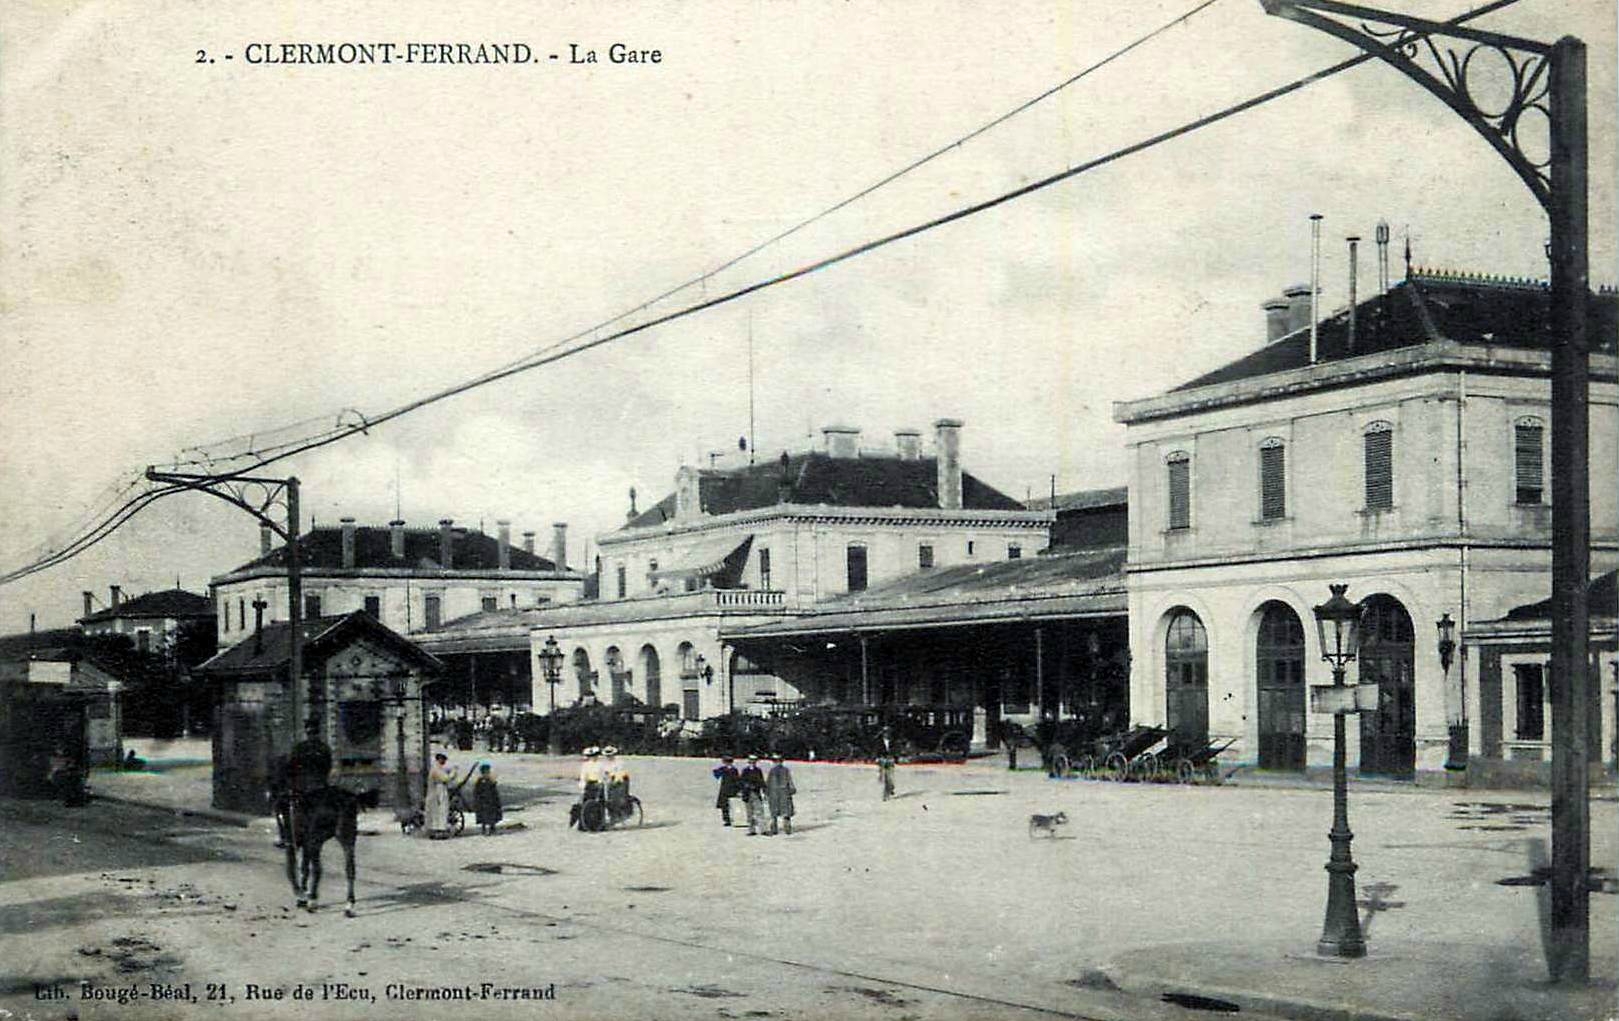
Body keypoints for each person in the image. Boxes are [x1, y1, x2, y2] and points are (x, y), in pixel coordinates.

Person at [426, 752, 457, 839]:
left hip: (439, 791)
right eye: (443, 760)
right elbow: (445, 778)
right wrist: (453, 772)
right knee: (439, 811)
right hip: (437, 792)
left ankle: (438, 830)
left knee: (441, 811)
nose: (444, 762)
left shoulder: (439, 768)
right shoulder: (436, 769)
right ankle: (438, 831)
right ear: (439, 759)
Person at [765, 753, 796, 835]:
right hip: (774, 793)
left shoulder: (785, 770)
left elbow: (789, 780)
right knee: (773, 813)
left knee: (786, 812)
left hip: (784, 793)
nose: (776, 763)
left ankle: (787, 828)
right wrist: (766, 791)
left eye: (778, 761)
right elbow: (768, 782)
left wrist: (791, 789)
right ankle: (774, 828)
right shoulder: (772, 771)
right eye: (775, 761)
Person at [739, 754, 767, 836]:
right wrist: (746, 786)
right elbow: (741, 781)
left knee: (759, 812)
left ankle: (763, 829)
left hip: (756, 793)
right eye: (751, 761)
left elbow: (761, 781)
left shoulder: (758, 770)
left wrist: (763, 790)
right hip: (747, 794)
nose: (753, 762)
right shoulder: (745, 771)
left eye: (754, 761)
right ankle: (751, 830)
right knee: (749, 813)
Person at [472, 762, 502, 836]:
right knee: (483, 815)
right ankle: (484, 828)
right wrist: (477, 799)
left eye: (487, 772)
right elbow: (476, 791)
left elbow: (494, 791)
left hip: (491, 801)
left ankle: (492, 828)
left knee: (492, 815)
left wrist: (496, 800)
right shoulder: (479, 781)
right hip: (483, 801)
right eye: (485, 772)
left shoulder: (491, 780)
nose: (486, 774)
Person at [602, 746, 630, 820]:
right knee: (608, 798)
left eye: (610, 755)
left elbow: (621, 772)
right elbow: (604, 773)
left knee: (619, 798)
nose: (609, 757)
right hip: (610, 781)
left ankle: (622, 814)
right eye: (607, 755)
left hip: (621, 780)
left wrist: (616, 780)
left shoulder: (619, 762)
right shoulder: (605, 764)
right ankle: (612, 815)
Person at [711, 755, 740, 827]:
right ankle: (728, 819)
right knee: (726, 805)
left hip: (727, 789)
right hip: (729, 789)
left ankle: (728, 819)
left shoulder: (727, 769)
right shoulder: (732, 769)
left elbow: (716, 774)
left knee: (728, 805)